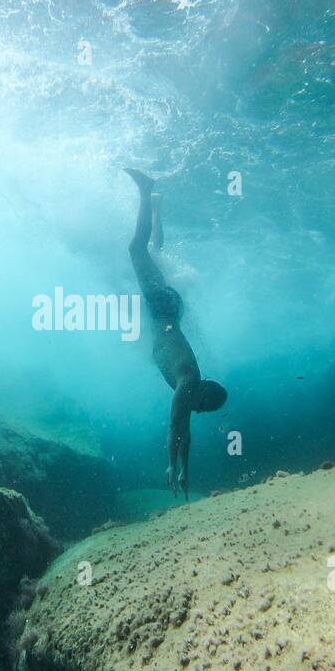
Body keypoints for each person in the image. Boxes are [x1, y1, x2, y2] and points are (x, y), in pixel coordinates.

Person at [125, 169, 227, 498]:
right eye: (202, 407)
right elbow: (176, 425)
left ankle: (154, 208)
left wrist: (185, 467)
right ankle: (145, 189)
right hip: (162, 307)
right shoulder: (187, 381)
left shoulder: (191, 387)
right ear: (203, 392)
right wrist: (172, 464)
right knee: (137, 250)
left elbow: (186, 430)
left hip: (168, 310)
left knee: (152, 255)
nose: (196, 411)